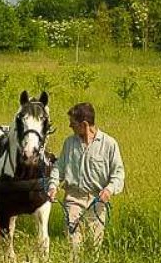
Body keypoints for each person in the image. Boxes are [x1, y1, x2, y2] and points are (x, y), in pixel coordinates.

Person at [48, 102, 125, 252]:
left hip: (97, 203)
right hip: (73, 200)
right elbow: (59, 167)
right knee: (73, 248)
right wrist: (52, 185)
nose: (70, 126)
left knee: (93, 248)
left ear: (84, 124)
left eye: (73, 123)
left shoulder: (109, 144)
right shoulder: (69, 143)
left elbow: (118, 174)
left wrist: (109, 190)